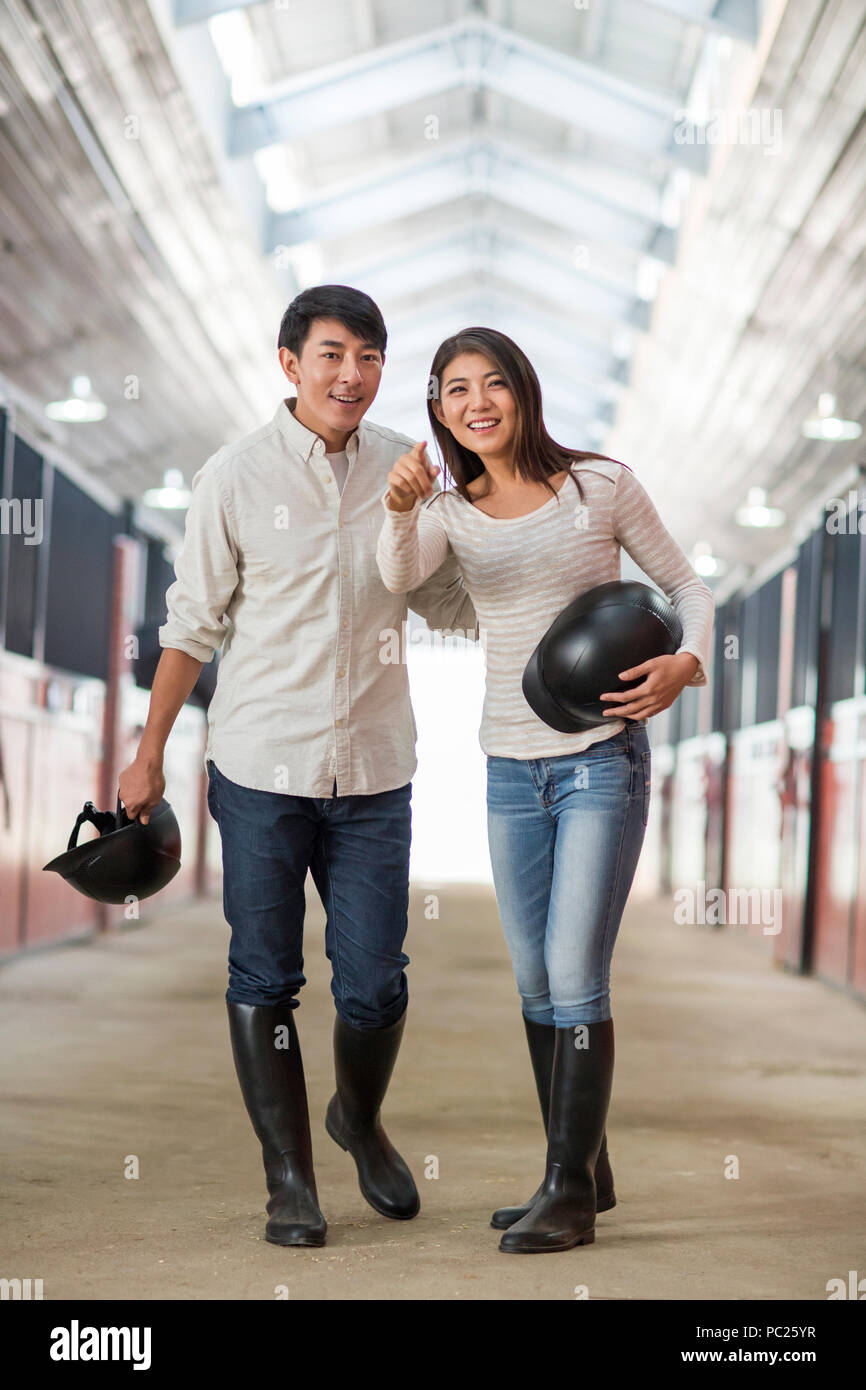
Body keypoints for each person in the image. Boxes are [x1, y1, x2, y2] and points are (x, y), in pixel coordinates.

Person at [118, 286, 478, 1247]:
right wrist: (148, 753)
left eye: (367, 356)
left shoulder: (412, 468)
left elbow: (448, 599)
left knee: (373, 981)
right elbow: (190, 627)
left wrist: (552, 590)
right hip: (260, 764)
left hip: (373, 772)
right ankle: (290, 1180)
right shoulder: (232, 477)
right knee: (264, 974)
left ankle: (354, 1118)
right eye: (330, 354)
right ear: (290, 363)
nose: (350, 374)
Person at [376, 326, 715, 1255]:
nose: (475, 402)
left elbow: (687, 584)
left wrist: (685, 662)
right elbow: (398, 578)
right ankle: (583, 1168)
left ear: (521, 392)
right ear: (440, 410)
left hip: (601, 758)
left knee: (575, 973)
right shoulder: (449, 510)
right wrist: (401, 508)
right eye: (454, 390)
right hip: (507, 766)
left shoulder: (598, 485)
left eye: (492, 384)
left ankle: (566, 1190)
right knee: (534, 979)